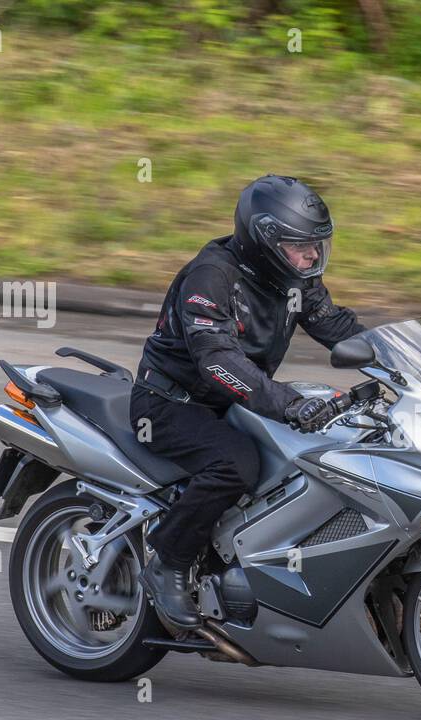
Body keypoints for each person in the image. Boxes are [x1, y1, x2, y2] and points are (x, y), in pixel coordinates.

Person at [130, 174, 365, 627]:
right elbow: (216, 359)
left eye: (318, 245)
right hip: (170, 404)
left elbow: (338, 329)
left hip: (233, 401)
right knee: (236, 464)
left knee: (323, 454)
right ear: (266, 242)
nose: (313, 255)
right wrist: (290, 404)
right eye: (301, 245)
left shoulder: (294, 278)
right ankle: (168, 563)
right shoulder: (212, 277)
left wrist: (411, 363)